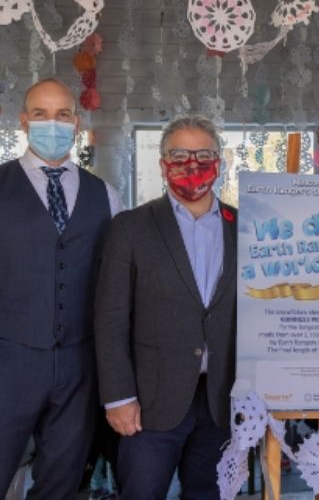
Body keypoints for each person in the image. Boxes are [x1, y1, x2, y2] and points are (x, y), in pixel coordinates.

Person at [0, 78, 122, 498]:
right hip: (1, 367)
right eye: (41, 114)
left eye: (62, 114)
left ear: (77, 123)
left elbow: (118, 294)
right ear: (24, 121)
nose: (53, 123)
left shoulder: (107, 197)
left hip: (80, 369)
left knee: (62, 487)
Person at [94, 114, 236, 499]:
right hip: (149, 402)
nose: (192, 164)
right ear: (162, 164)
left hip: (221, 400)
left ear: (218, 163)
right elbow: (110, 320)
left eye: (203, 155)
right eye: (179, 155)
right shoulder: (130, 227)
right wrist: (118, 397)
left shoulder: (242, 227)